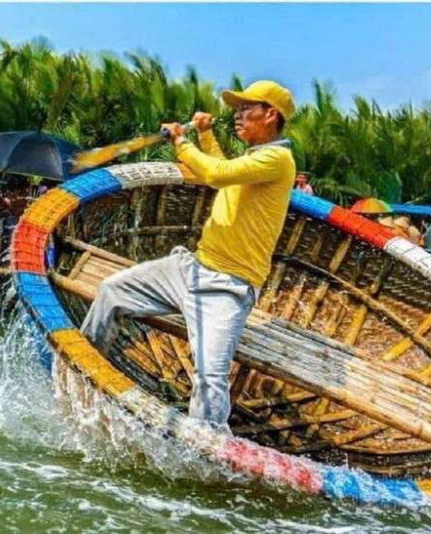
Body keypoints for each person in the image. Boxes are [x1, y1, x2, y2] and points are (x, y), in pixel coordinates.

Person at [81, 80, 296, 428]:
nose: (237, 116)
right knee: (112, 291)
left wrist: (182, 140)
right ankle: (83, 371)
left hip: (228, 286)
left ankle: (209, 448)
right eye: (236, 109)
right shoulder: (254, 158)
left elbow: (214, 172)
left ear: (270, 114)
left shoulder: (278, 158)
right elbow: (220, 178)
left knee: (210, 379)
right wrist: (207, 136)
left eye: (245, 108)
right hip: (192, 267)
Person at [0, 174, 31, 266]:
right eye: (21, 194)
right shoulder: (1, 217)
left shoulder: (31, 218)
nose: (24, 199)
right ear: (9, 195)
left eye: (26, 194)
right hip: (7, 262)